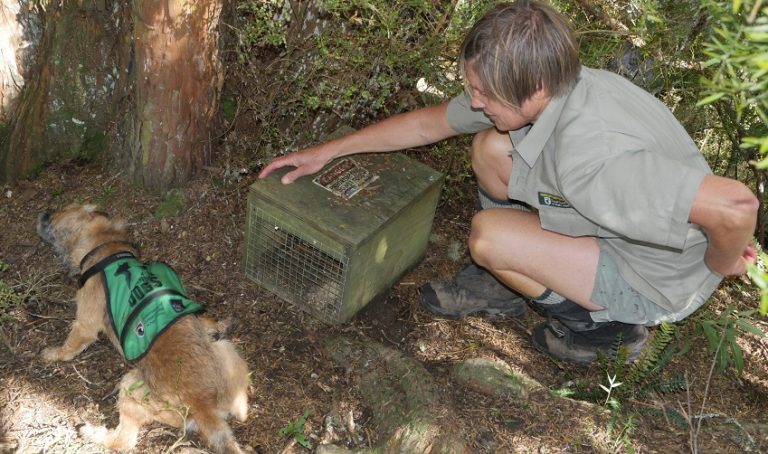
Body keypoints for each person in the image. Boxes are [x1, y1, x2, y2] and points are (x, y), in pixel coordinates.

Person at [258, 0, 759, 365]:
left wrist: (721, 263)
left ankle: (604, 331)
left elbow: (735, 207)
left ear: (534, 86)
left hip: (652, 276)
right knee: (492, 148)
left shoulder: (592, 157)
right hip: (619, 226)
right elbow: (430, 124)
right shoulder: (555, 87)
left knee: (488, 236)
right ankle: (509, 284)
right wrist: (326, 152)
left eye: (484, 92)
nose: (475, 102)